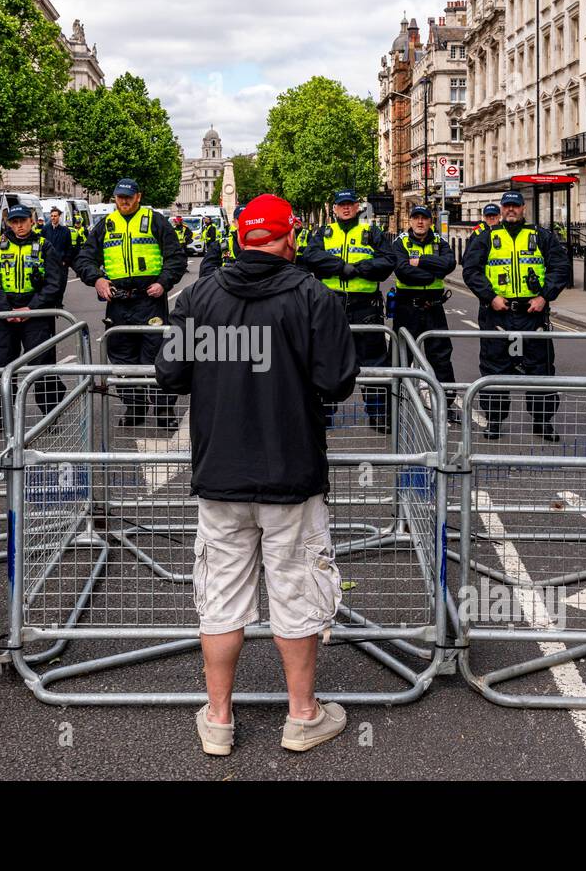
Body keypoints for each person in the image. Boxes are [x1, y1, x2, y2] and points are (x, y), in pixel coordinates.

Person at [154, 193, 359, 757]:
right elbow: (339, 380)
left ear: (243, 237)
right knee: (296, 591)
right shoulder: (314, 296)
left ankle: (218, 719)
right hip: (291, 469)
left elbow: (169, 374)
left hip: (220, 470)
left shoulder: (197, 298)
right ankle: (302, 715)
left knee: (220, 596)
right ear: (287, 236)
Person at [74, 178, 187, 428]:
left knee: (157, 358)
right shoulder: (106, 225)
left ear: (138, 196)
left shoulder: (155, 221)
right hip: (118, 302)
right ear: (114, 198)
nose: (123, 201)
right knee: (122, 359)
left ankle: (163, 411)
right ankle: (134, 407)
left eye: (128, 196)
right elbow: (84, 259)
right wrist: (98, 281)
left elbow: (176, 257)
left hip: (150, 300)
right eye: (119, 197)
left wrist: (163, 283)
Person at [461, 191, 570, 441]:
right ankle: (495, 421)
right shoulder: (486, 238)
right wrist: (490, 297)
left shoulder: (541, 236)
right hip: (497, 314)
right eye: (507, 206)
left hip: (533, 314)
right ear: (501, 209)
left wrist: (544, 297)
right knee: (494, 369)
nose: (511, 210)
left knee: (540, 370)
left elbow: (560, 267)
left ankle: (542, 422)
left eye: (516, 206)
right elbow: (471, 270)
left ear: (523, 209)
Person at [301, 189, 396, 430]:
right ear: (334, 209)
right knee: (326, 360)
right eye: (341, 205)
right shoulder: (324, 232)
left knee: (374, 363)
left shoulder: (371, 232)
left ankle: (379, 414)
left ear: (357, 207)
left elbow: (387, 261)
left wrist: (359, 268)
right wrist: (342, 267)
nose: (345, 208)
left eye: (350, 204)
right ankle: (325, 413)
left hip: (365, 307)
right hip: (331, 305)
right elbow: (312, 257)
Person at [0, 205, 67, 415]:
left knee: (42, 366)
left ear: (31, 220)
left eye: (23, 221)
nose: (19, 226)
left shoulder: (45, 246)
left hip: (36, 314)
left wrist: (32, 307)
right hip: (5, 315)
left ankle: (50, 414)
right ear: (9, 223)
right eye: (14, 222)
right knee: (0, 366)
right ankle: (2, 415)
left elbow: (55, 282)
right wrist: (6, 309)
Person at [391, 205, 460, 423]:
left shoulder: (440, 242)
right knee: (399, 358)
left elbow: (449, 264)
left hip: (434, 308)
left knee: (441, 358)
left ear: (431, 221)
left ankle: (447, 406)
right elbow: (402, 269)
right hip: (406, 307)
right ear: (410, 221)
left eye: (424, 218)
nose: (420, 222)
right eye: (416, 218)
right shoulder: (400, 243)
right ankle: (392, 409)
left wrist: (420, 262)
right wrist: (430, 275)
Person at [199, 210, 242, 277]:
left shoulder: (212, 227)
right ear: (234, 222)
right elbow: (205, 274)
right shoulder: (220, 245)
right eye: (242, 219)